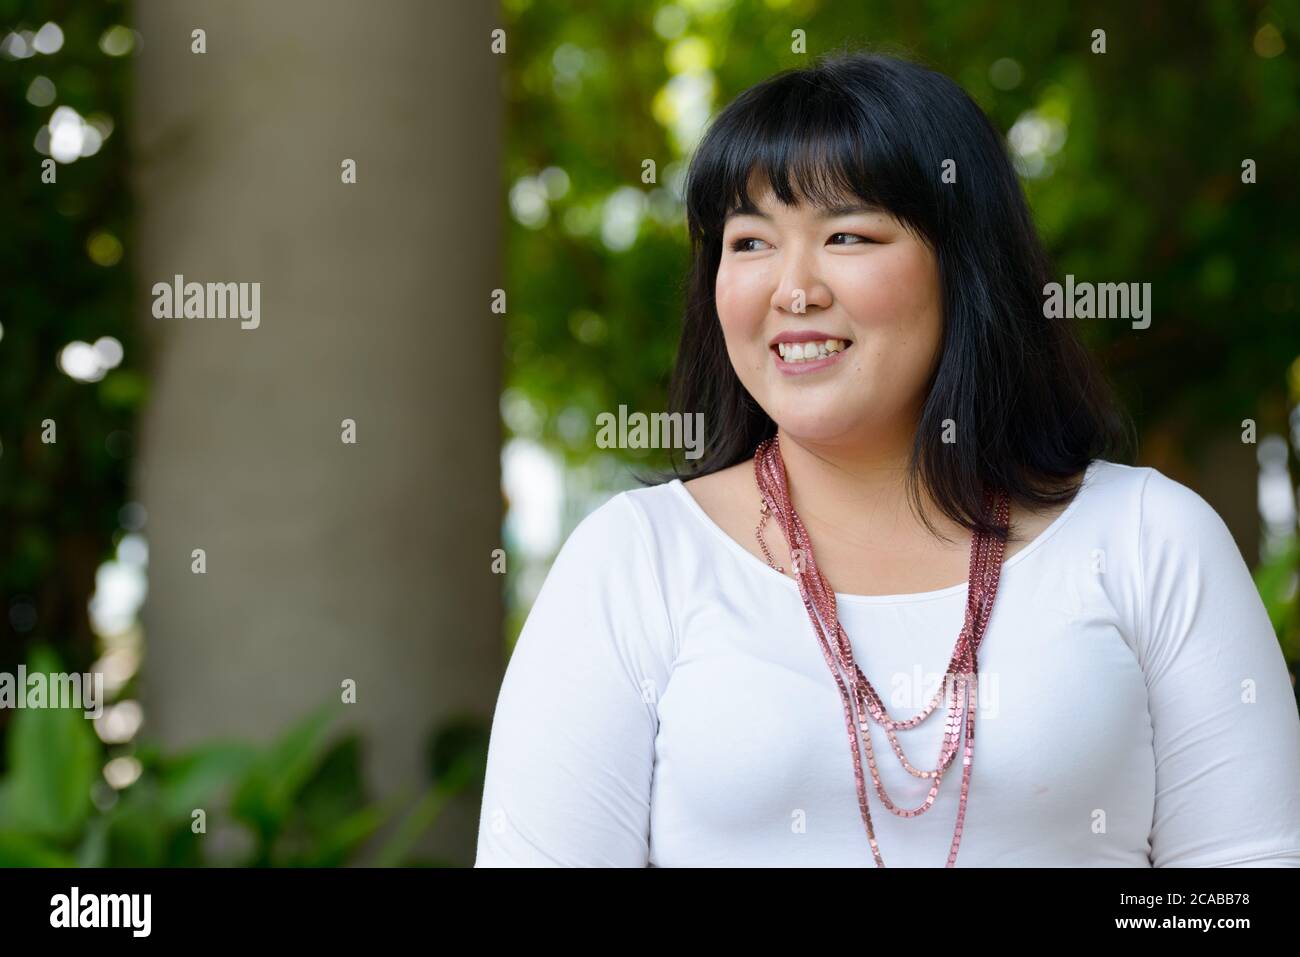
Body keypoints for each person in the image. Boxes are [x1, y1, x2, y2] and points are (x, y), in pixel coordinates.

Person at [474, 50, 1300, 867]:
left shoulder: (1150, 538)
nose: (792, 289)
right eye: (750, 243)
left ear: (965, 268)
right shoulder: (633, 561)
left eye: (847, 234)